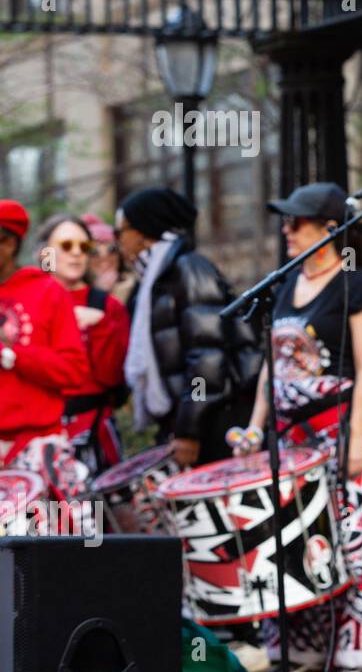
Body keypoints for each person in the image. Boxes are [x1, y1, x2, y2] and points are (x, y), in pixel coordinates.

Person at [236, 181, 362, 672]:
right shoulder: (285, 283)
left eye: (297, 222)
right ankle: (301, 651)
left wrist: (357, 437)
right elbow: (269, 368)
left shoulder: (355, 285)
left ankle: (358, 654)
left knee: (354, 539)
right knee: (293, 542)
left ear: (329, 230)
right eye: (286, 221)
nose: (286, 230)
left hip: (339, 426)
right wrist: (255, 427)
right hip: (291, 437)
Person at [116, 187, 260, 467]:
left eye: (122, 231)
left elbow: (207, 358)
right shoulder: (153, 282)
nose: (119, 242)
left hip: (213, 427)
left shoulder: (188, 270)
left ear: (144, 232)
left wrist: (189, 431)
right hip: (181, 421)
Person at [0, 200, 94, 530]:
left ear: (9, 243)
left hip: (37, 449)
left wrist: (15, 356)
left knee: (49, 560)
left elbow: (73, 370)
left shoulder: (46, 292)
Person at [35, 215, 129, 476]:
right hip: (38, 437)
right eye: (66, 246)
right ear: (46, 253)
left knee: (103, 513)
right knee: (43, 516)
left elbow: (113, 376)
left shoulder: (107, 306)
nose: (76, 254)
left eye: (84, 246)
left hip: (94, 429)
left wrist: (98, 328)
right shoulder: (25, 304)